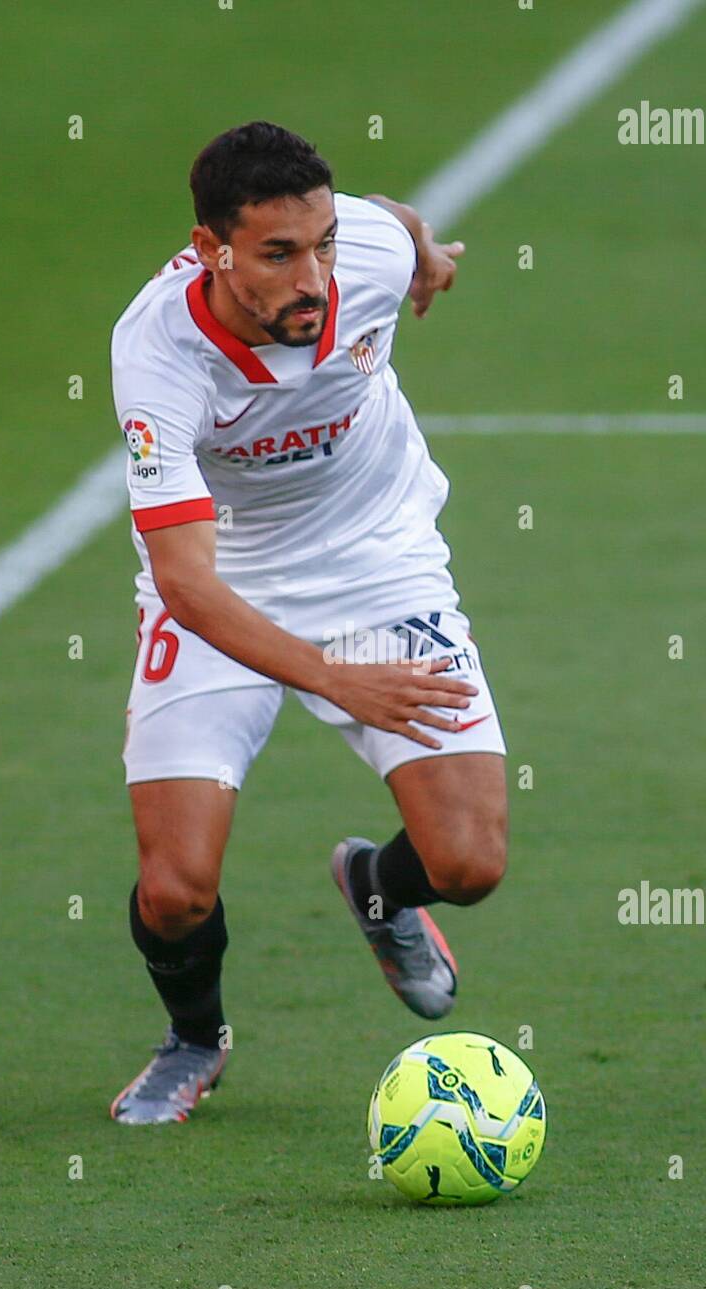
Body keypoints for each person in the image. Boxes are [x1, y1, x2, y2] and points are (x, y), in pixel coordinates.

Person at [109, 122, 508, 1124]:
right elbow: (190, 587)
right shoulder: (157, 354)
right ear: (212, 250)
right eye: (279, 254)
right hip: (224, 581)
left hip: (379, 563)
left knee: (469, 863)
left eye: (320, 243)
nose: (314, 274)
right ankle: (193, 1039)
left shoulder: (359, 249)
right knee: (174, 889)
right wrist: (334, 676)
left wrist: (426, 259)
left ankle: (379, 887)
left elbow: (397, 225)